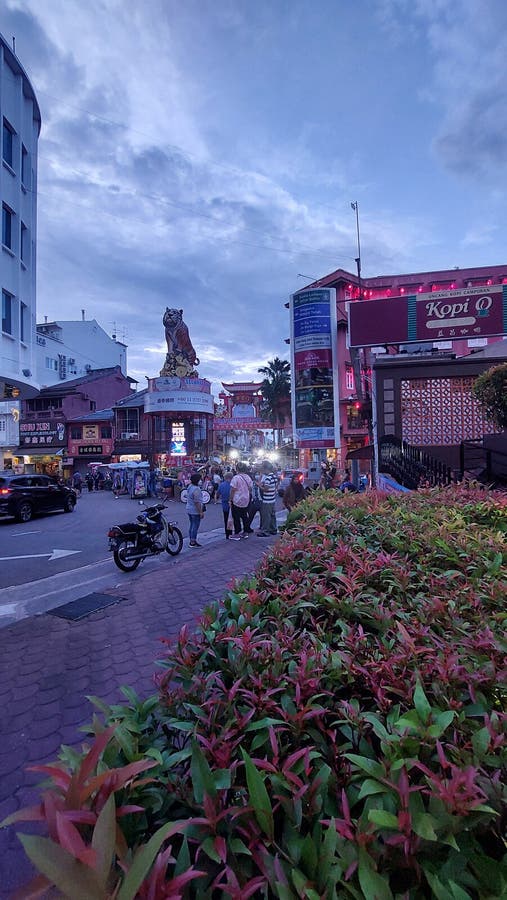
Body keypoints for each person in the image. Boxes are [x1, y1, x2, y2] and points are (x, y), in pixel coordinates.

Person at [229, 464, 253, 540]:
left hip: (237, 499)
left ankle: (237, 533)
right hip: (246, 499)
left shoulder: (236, 478)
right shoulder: (248, 477)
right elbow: (250, 488)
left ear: (237, 469)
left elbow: (233, 490)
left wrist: (230, 499)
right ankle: (245, 532)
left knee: (236, 517)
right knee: (244, 516)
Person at [257, 460, 278, 536]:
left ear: (266, 469)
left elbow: (265, 489)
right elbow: (275, 487)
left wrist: (259, 485)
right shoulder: (274, 476)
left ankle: (265, 531)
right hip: (272, 499)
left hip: (267, 500)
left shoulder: (268, 478)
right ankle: (273, 529)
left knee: (266, 516)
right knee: (272, 515)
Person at [185, 472, 205, 547]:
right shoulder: (196, 489)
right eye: (200, 479)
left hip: (189, 508)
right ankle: (193, 541)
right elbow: (197, 502)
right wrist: (200, 512)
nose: (201, 481)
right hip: (194, 510)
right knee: (195, 525)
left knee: (192, 525)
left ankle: (191, 539)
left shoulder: (190, 487)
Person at [217, 471, 233, 539]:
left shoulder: (221, 485)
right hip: (233, 504)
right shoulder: (233, 485)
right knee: (233, 519)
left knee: (226, 519)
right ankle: (232, 532)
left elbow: (218, 493)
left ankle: (227, 534)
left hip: (225, 504)